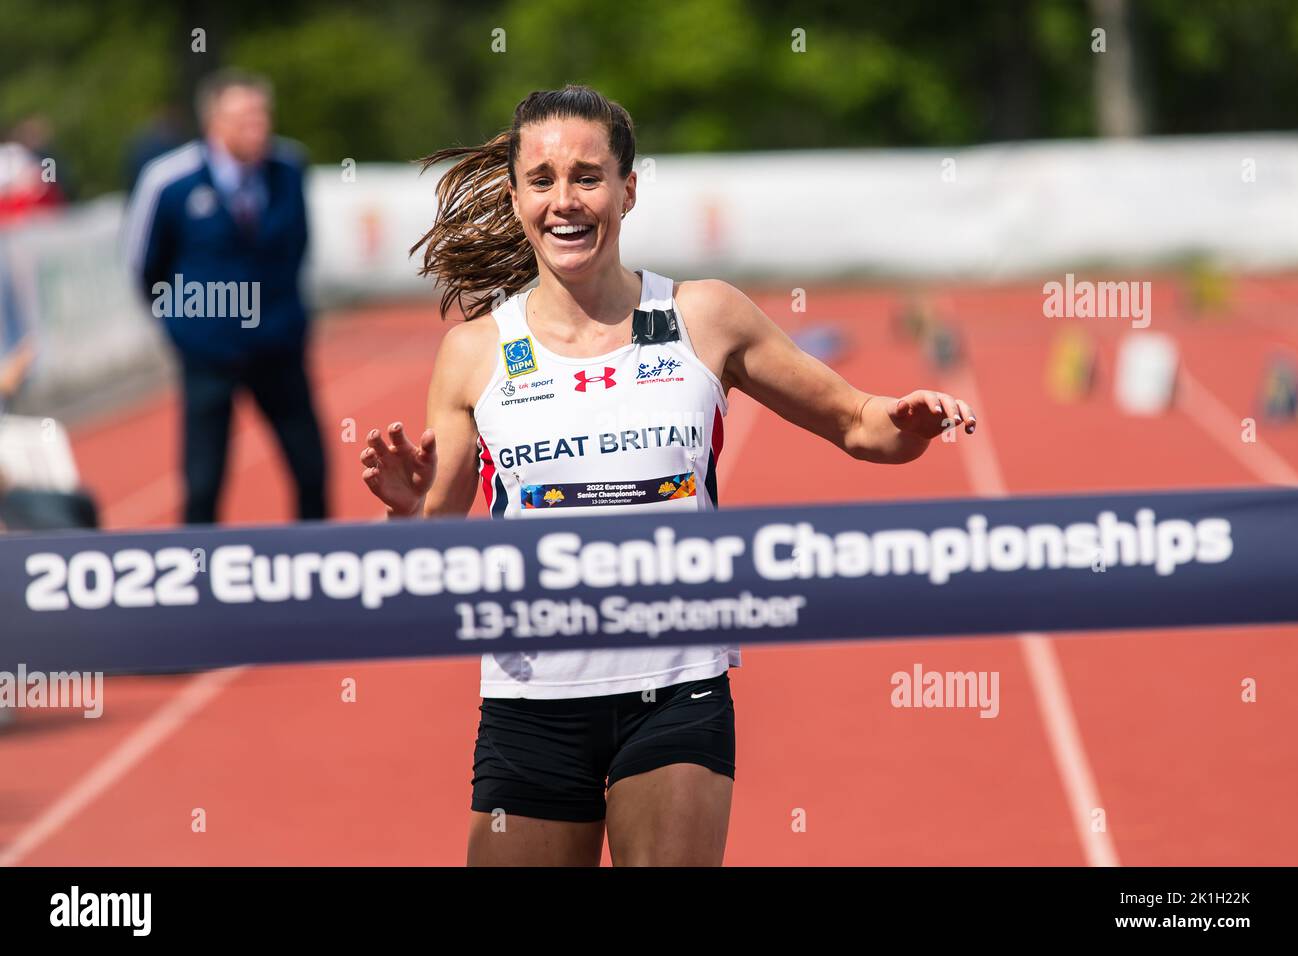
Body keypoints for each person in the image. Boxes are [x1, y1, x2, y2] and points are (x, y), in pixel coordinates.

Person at [359, 85, 977, 867]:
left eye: (588, 176)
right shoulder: (476, 351)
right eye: (543, 180)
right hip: (530, 701)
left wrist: (909, 417)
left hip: (675, 688)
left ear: (629, 188)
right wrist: (409, 512)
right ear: (514, 195)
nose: (566, 201)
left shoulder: (702, 315)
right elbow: (431, 551)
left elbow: (860, 424)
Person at [123, 69, 327, 524]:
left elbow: (299, 246)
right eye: (244, 117)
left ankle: (317, 562)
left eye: (262, 114)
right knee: (203, 480)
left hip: (279, 346)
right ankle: (198, 573)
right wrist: (184, 328)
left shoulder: (289, 168)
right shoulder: (169, 180)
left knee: (311, 468)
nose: (258, 126)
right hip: (208, 352)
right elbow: (142, 265)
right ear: (214, 121)